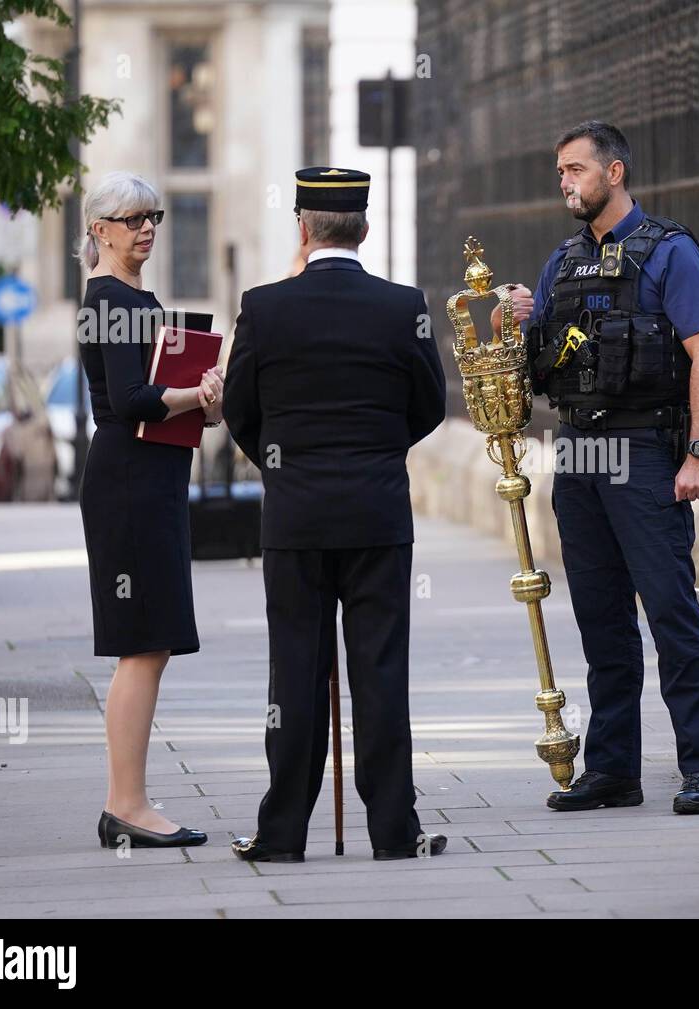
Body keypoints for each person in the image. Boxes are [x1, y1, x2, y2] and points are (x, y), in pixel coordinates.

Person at [496, 120, 699, 814]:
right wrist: (521, 318)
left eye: (575, 169)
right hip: (579, 453)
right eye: (560, 172)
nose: (565, 181)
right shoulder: (564, 261)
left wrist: (698, 452)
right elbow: (550, 352)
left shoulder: (669, 251)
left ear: (615, 172)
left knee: (670, 614)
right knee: (601, 621)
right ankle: (613, 770)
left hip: (644, 453)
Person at [223, 166, 448, 862]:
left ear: (303, 227)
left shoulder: (264, 307)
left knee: (292, 673)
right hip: (377, 512)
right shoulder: (401, 304)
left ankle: (282, 831)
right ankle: (393, 830)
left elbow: (238, 409)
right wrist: (377, 453)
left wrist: (285, 465)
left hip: (295, 517)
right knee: (379, 671)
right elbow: (430, 403)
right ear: (366, 227)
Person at [78, 171, 224, 849]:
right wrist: (195, 392)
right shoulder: (110, 299)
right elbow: (133, 396)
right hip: (129, 483)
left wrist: (206, 396)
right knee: (141, 644)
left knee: (151, 643)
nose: (147, 227)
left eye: (153, 216)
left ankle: (124, 801)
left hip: (152, 477)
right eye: (132, 217)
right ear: (99, 229)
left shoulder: (137, 298)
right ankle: (128, 804)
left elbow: (157, 390)